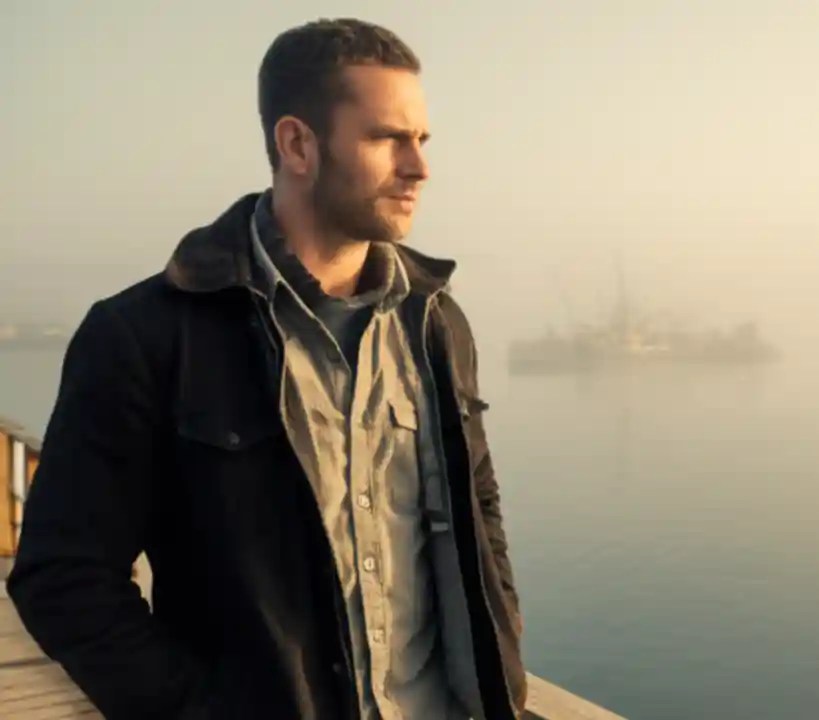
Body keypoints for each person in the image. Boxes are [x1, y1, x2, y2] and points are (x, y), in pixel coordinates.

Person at [7, 18, 525, 720]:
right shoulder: (147, 335)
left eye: (422, 140)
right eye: (387, 138)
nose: (419, 167)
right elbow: (62, 577)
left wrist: (506, 673)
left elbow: (480, 507)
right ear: (297, 144)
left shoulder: (436, 322)